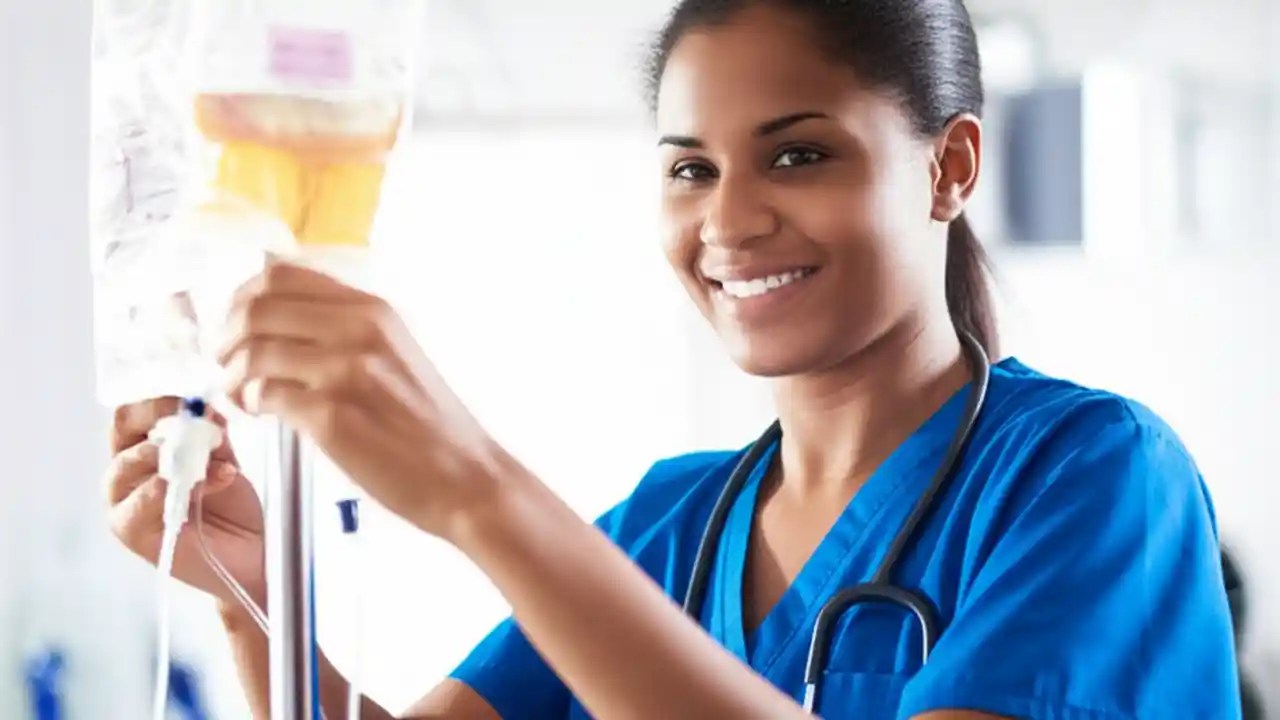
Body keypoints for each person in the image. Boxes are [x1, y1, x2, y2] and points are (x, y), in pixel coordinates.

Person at [105, 0, 1243, 717]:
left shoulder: (1094, 478)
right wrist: (248, 600)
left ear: (947, 168)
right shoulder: (674, 523)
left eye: (796, 155)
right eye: (689, 170)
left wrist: (475, 491)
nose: (728, 222)